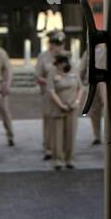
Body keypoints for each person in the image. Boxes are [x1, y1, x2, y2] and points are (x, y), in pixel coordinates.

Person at [48, 51, 84, 168]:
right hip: (58, 107)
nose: (61, 65)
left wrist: (77, 101)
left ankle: (69, 159)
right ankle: (58, 160)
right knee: (58, 135)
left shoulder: (73, 70)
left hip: (72, 107)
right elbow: (51, 90)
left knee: (71, 134)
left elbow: (80, 88)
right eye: (59, 63)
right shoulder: (52, 72)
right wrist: (60, 104)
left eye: (63, 62)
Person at [35, 30, 67, 161]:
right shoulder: (43, 57)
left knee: (64, 122)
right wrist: (50, 82)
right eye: (53, 42)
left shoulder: (66, 56)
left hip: (64, 95)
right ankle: (48, 149)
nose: (56, 46)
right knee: (48, 122)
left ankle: (62, 149)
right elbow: (37, 76)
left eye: (59, 43)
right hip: (48, 95)